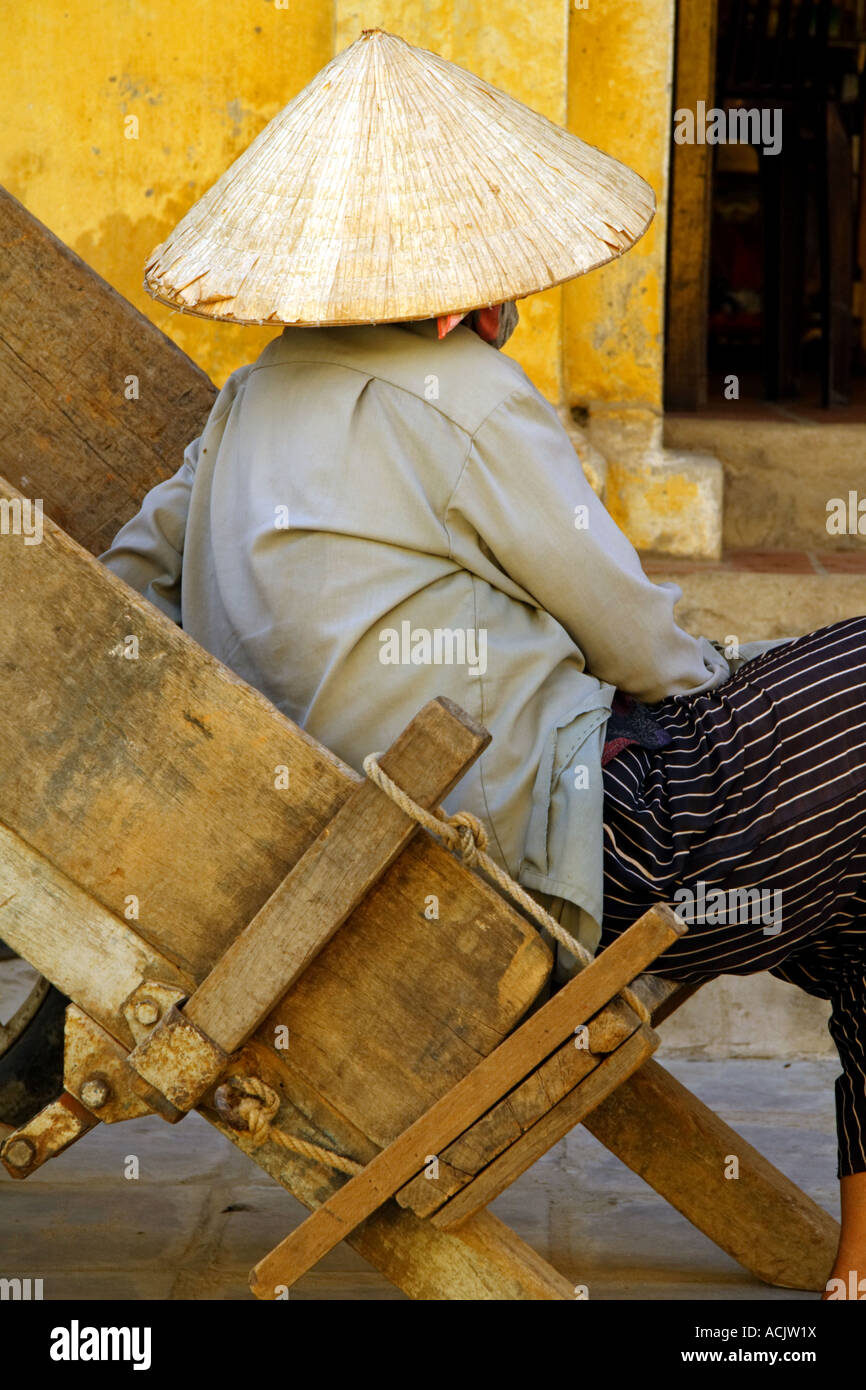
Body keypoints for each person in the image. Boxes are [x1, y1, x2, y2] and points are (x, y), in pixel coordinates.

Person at [101, 29, 866, 1298]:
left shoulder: (245, 404)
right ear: (469, 293)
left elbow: (132, 582)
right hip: (565, 846)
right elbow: (632, 637)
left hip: (390, 865)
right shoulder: (465, 393)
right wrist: (728, 694)